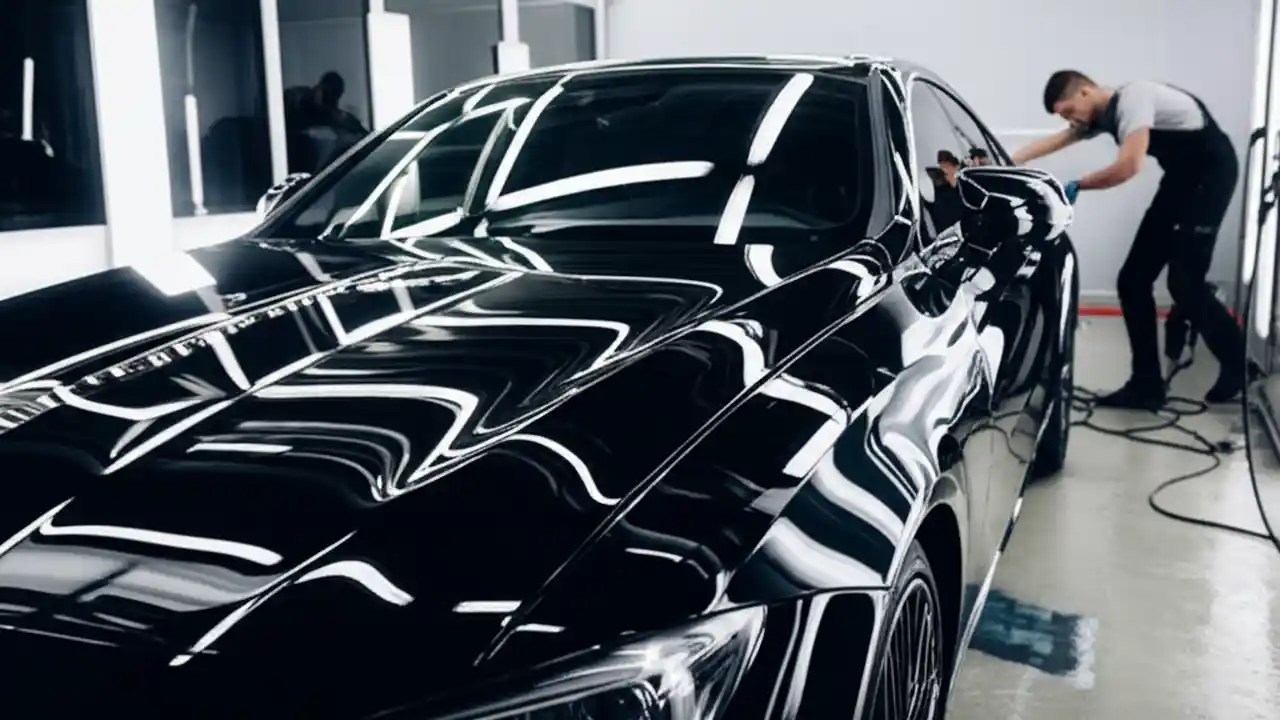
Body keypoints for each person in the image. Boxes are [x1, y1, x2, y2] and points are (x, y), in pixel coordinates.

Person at [1012, 70, 1246, 408]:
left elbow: (1129, 166)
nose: (1070, 121)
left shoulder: (1134, 99)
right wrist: (1004, 162)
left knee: (1185, 283)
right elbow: (1054, 142)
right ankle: (1146, 385)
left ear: (1086, 92)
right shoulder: (1101, 114)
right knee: (1133, 280)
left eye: (1069, 112)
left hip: (1213, 174)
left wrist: (1078, 185)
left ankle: (1238, 365)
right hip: (1181, 179)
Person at [283, 71, 368, 173]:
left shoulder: (329, 112)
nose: (327, 98)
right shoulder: (297, 97)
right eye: (326, 92)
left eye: (332, 95)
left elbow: (355, 129)